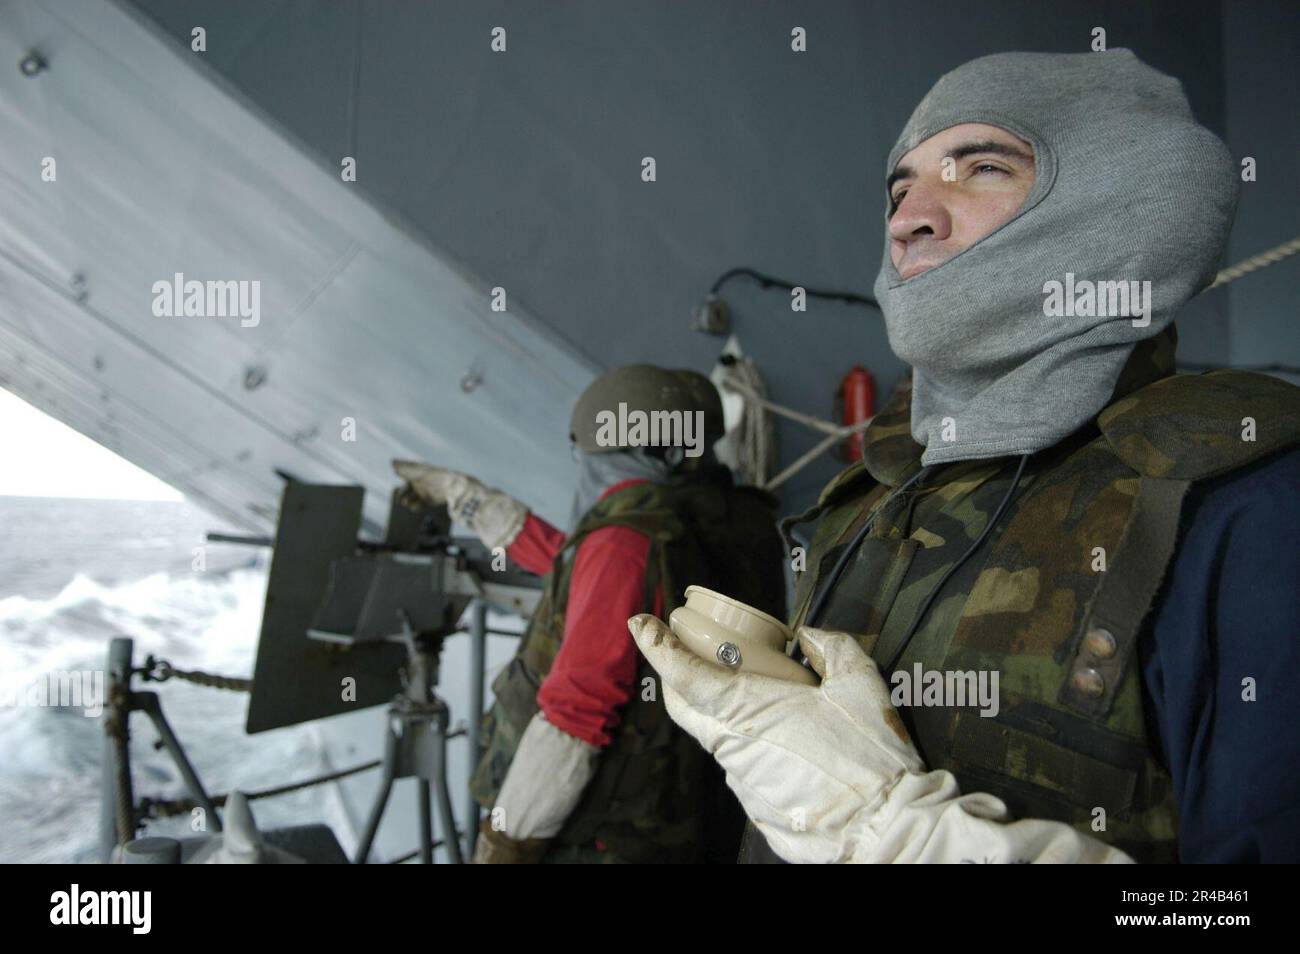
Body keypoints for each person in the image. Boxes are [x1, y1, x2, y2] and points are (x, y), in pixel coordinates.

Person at [630, 48, 1300, 863]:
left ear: (1119, 203)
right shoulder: (872, 493)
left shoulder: (1248, 506)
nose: (908, 216)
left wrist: (898, 834)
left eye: (981, 167)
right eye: (900, 185)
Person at [395, 364, 787, 862]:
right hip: (694, 813)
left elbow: (577, 712)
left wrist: (506, 841)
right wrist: (469, 501)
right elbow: (594, 578)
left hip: (605, 831)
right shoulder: (723, 520)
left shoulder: (625, 541)